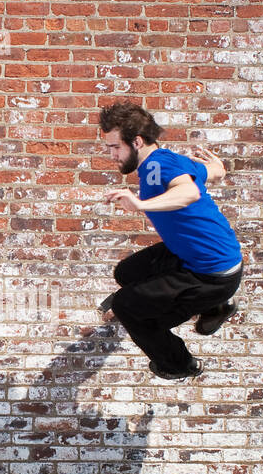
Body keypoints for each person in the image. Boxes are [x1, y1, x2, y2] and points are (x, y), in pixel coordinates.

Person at [97, 101, 245, 379]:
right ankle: (216, 307)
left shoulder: (156, 166)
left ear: (137, 142)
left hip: (212, 273)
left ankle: (178, 364)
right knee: (127, 273)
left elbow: (189, 193)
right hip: (203, 254)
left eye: (115, 147)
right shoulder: (169, 161)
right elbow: (213, 172)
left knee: (128, 308)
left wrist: (140, 205)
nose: (112, 155)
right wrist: (218, 168)